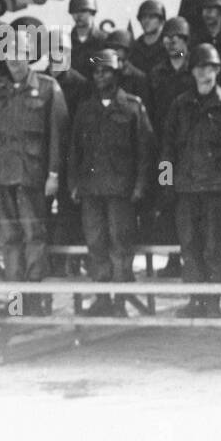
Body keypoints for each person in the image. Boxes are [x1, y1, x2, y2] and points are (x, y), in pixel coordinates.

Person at [0, 43, 68, 317]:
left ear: (29, 56)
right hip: (1, 176)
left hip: (32, 176)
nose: (13, 60)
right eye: (8, 55)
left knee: (34, 237)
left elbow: (58, 134)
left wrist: (53, 173)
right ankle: (16, 304)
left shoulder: (48, 87)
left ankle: (36, 302)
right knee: (10, 240)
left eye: (19, 54)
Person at [67, 50, 155, 316]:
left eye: (105, 71)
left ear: (116, 74)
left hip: (121, 190)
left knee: (121, 243)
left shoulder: (132, 107)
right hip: (91, 189)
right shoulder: (85, 109)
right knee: (96, 243)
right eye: (96, 72)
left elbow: (145, 151)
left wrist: (140, 186)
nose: (100, 76)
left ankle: (120, 301)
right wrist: (74, 184)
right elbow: (74, 151)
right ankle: (103, 298)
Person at [161, 43, 221, 318]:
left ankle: (213, 301)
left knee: (215, 247)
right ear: (192, 71)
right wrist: (166, 183)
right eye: (199, 67)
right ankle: (195, 299)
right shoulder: (179, 105)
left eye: (210, 67)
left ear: (217, 70)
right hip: (186, 188)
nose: (204, 73)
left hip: (217, 189)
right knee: (189, 245)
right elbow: (167, 150)